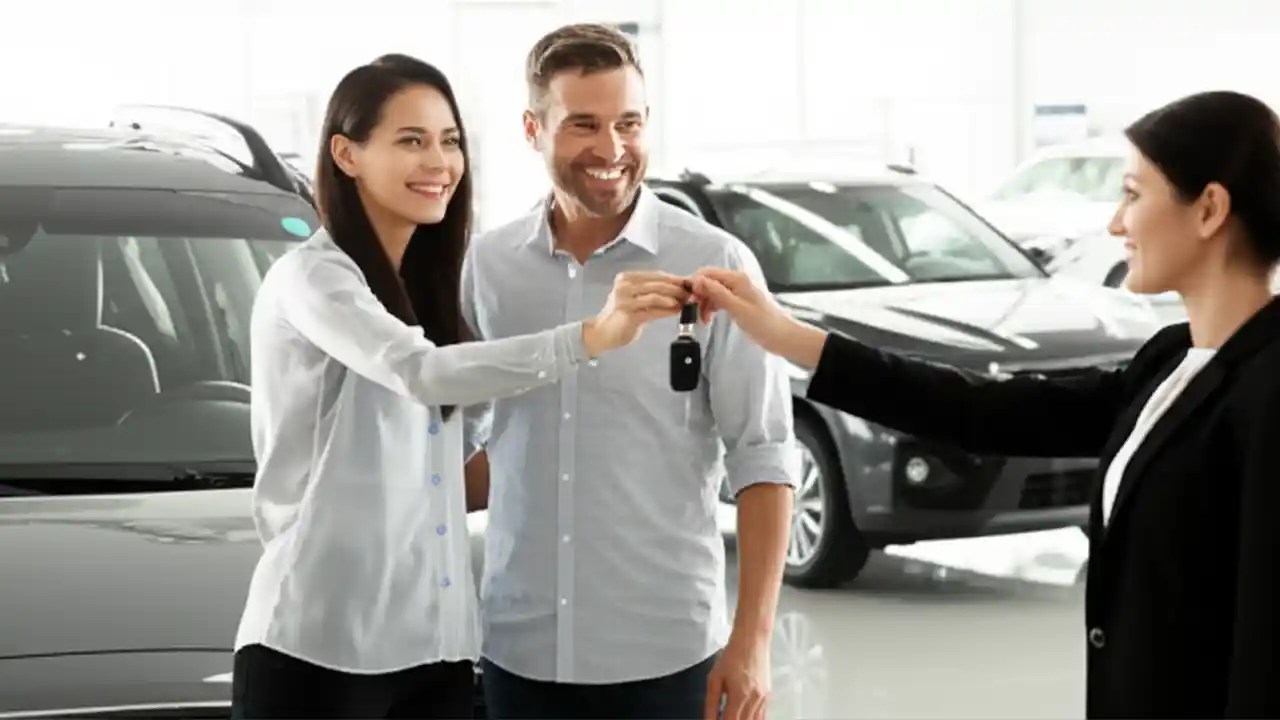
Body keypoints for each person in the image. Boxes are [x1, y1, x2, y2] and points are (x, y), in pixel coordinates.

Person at [691, 89, 1280, 719]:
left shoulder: (1268, 389)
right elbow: (988, 409)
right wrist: (791, 338)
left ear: (1210, 208)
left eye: (1133, 195)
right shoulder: (1171, 359)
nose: (1114, 224)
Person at [230, 53, 690, 719]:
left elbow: (468, 449)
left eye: (450, 141)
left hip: (437, 650)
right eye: (410, 141)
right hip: (317, 650)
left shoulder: (435, 293)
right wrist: (588, 337)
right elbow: (421, 373)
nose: (439, 162)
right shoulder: (312, 280)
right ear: (347, 154)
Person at [460, 23, 798, 720]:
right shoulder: (484, 267)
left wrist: (753, 642)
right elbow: (479, 443)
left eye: (629, 123)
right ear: (532, 127)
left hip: (669, 656)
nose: (611, 150)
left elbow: (763, 457)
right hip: (517, 651)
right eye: (583, 124)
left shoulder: (715, 263)